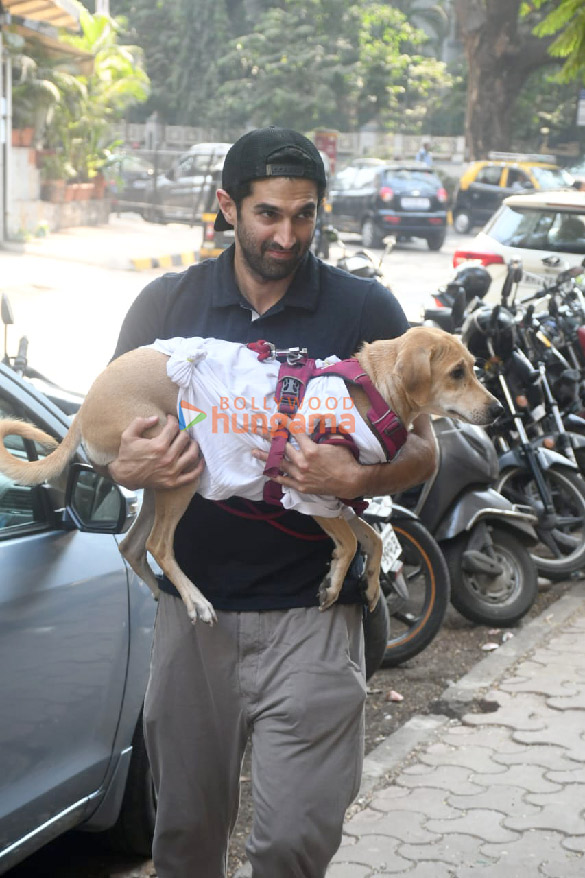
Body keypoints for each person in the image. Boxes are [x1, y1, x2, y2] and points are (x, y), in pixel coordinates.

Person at [107, 126, 436, 878]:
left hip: (314, 620)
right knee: (184, 841)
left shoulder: (364, 311)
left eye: (304, 215)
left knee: (292, 843)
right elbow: (110, 448)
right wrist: (127, 466)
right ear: (226, 206)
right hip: (195, 620)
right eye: (266, 214)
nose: (285, 235)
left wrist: (355, 481)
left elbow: (424, 451)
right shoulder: (166, 306)